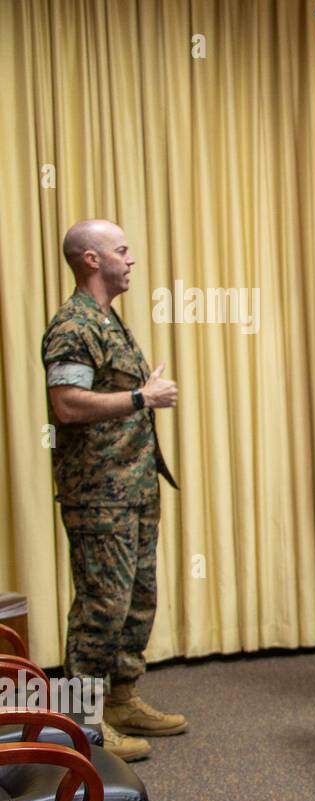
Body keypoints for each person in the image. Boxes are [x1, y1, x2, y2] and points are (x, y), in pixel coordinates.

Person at [42, 219, 186, 762]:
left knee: (136, 600)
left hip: (133, 486)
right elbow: (67, 403)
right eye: (121, 251)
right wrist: (141, 398)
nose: (131, 259)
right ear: (91, 260)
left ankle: (122, 699)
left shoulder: (109, 320)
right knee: (101, 607)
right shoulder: (74, 324)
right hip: (97, 491)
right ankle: (84, 725)